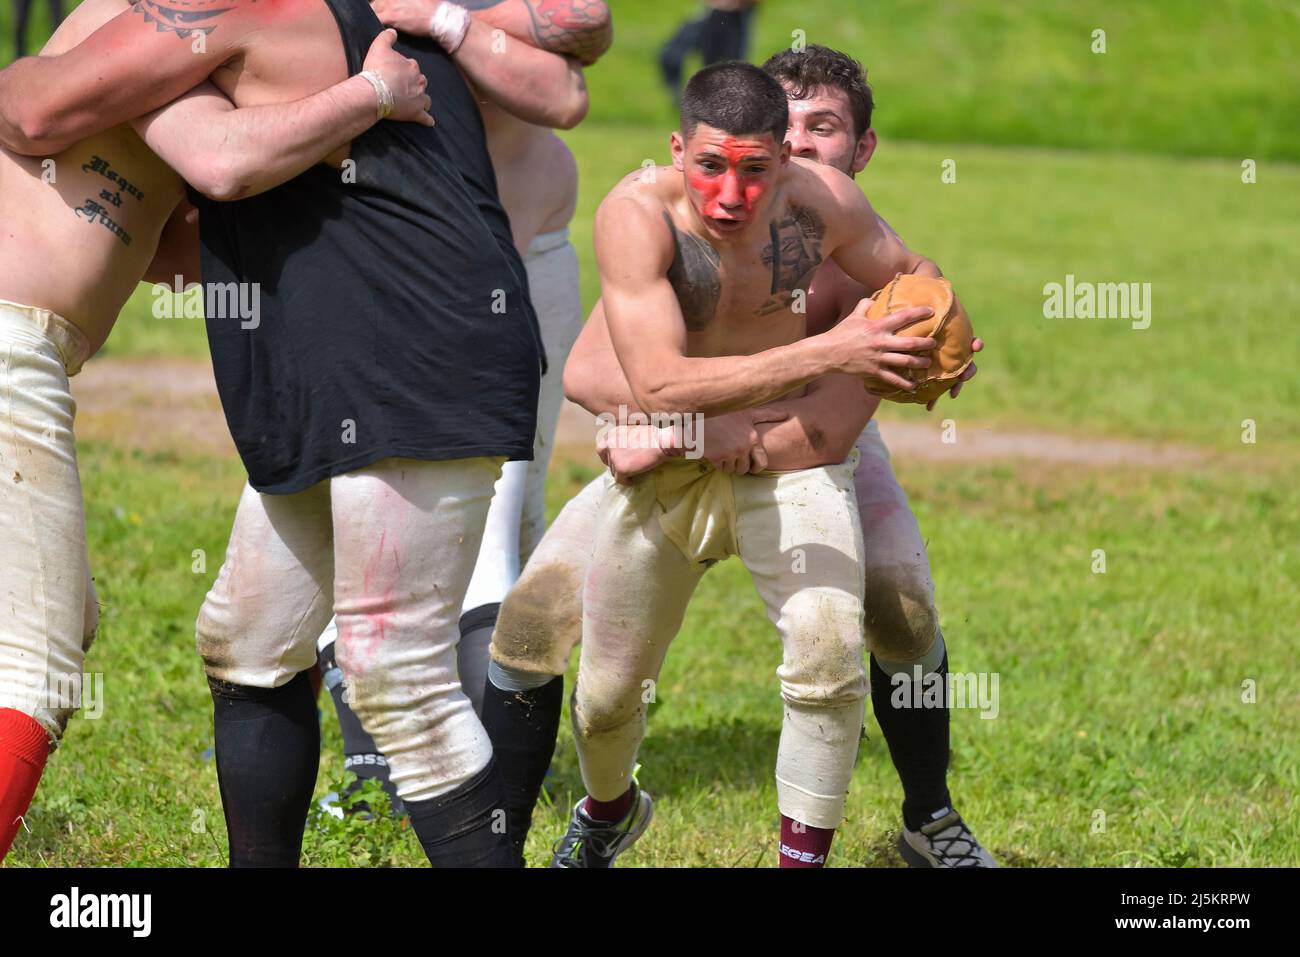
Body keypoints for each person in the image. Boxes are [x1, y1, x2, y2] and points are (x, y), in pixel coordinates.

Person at [0, 0, 577, 867]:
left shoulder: (358, 23)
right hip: (327, 358)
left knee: (368, 670)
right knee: (178, 645)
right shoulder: (226, 26)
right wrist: (368, 94)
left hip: (403, 354)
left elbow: (574, 53)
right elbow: (116, 137)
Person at [490, 48, 995, 868]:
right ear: (688, 147)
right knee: (547, 631)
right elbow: (598, 372)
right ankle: (526, 833)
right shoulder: (652, 214)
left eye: (817, 128)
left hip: (794, 455)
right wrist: (698, 426)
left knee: (890, 608)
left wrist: (942, 332)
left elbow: (828, 432)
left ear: (853, 150)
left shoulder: (837, 223)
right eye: (780, 124)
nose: (746, 183)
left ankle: (928, 816)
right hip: (684, 450)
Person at [309, 0, 612, 829]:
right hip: (385, 270)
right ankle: (392, 773)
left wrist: (448, 18)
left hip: (513, 262)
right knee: (363, 518)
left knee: (502, 528)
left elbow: (580, 46)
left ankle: (482, 789)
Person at [659, 0, 760, 99]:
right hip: (711, 14)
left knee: (729, 69)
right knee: (670, 57)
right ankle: (682, 99)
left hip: (733, 16)